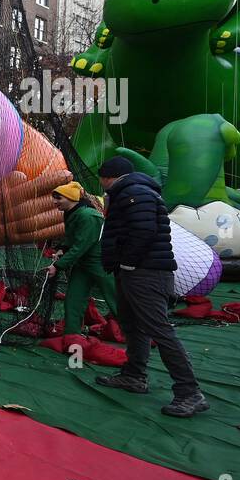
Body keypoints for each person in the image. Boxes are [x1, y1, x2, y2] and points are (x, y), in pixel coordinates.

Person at [93, 156, 207, 418]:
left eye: (101, 177)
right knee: (132, 323)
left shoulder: (135, 192)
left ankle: (190, 392)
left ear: (109, 176)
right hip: (133, 271)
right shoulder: (129, 192)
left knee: (159, 329)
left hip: (146, 272)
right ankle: (134, 375)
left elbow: (143, 230)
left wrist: (130, 262)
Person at [44, 181, 117, 334]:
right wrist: (63, 249)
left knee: (115, 299)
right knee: (73, 299)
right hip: (83, 263)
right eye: (54, 198)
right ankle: (72, 335)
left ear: (71, 198)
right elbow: (72, 237)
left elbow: (81, 246)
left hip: (100, 263)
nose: (55, 202)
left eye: (59, 198)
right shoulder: (71, 213)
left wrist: (58, 266)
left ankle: (138, 336)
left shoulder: (88, 216)